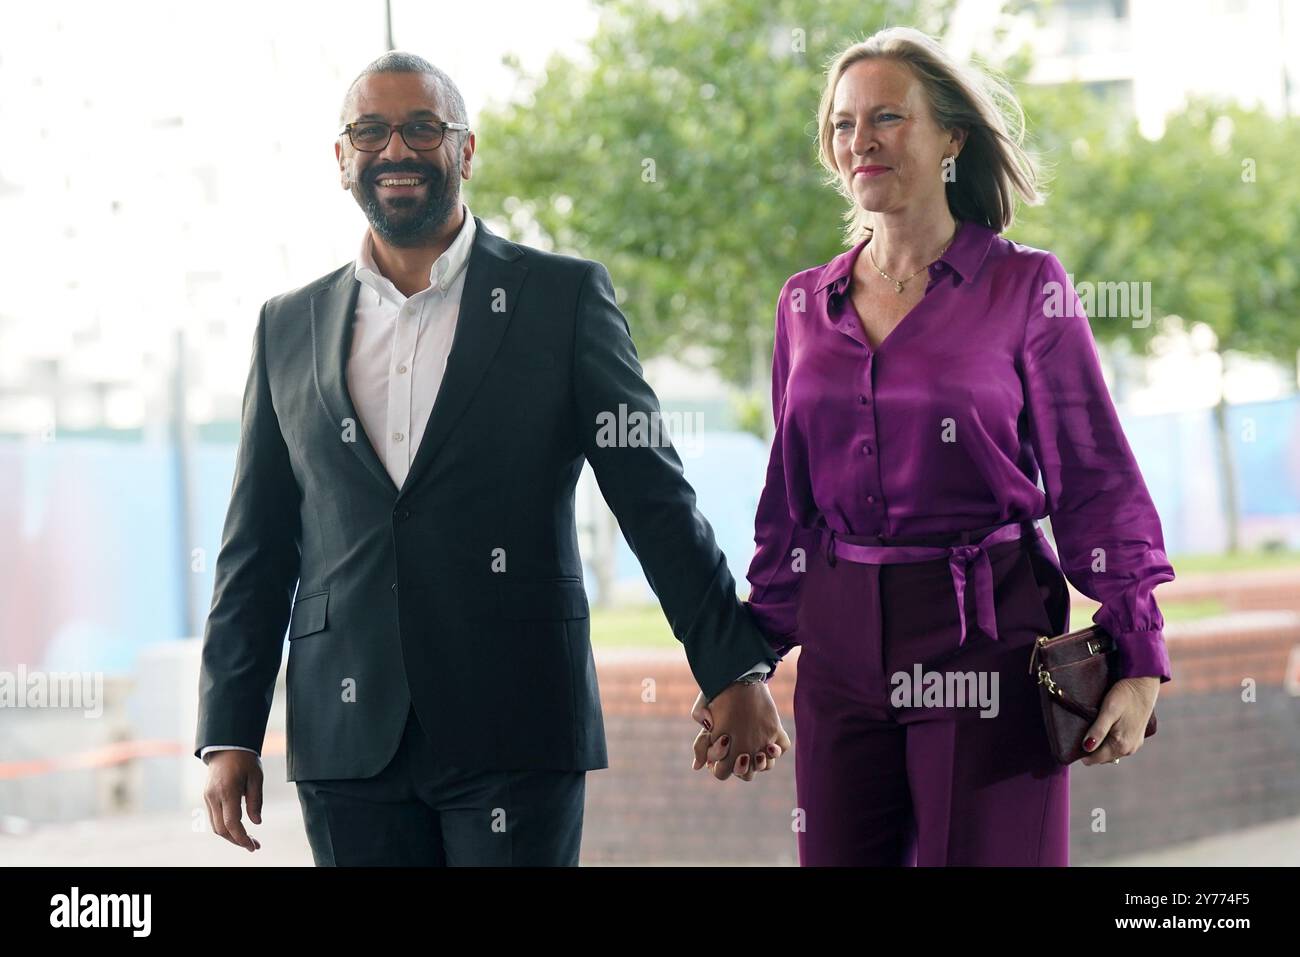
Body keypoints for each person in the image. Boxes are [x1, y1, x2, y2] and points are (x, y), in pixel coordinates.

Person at [195, 51, 788, 866]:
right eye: (369, 131)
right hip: (347, 736)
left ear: (465, 151)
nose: (395, 150)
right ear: (341, 160)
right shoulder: (285, 326)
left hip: (516, 718)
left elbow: (653, 495)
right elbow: (256, 548)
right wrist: (228, 729)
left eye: (422, 128)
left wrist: (732, 666)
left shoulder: (562, 299)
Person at [690, 26, 1175, 866]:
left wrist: (1137, 655)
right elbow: (791, 512)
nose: (860, 141)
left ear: (951, 137)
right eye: (842, 124)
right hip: (841, 648)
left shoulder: (1026, 286)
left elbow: (1094, 479)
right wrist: (745, 665)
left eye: (887, 116)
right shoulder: (803, 305)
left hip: (985, 635)